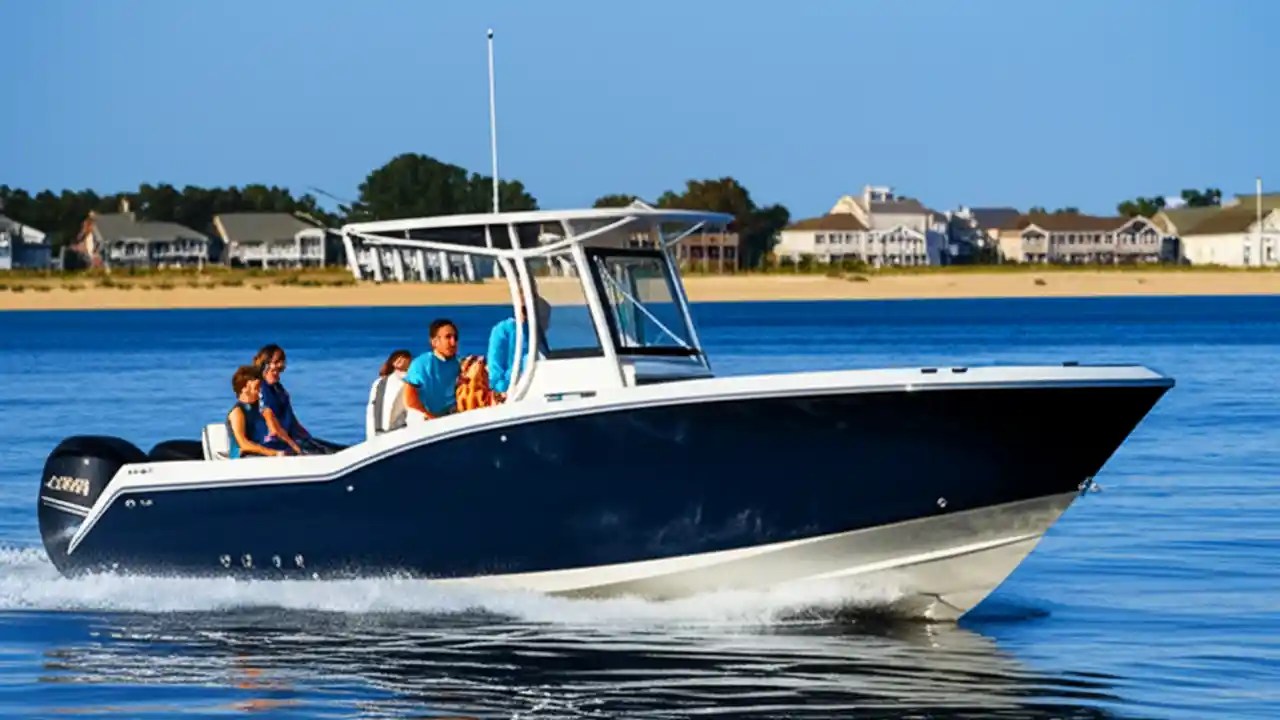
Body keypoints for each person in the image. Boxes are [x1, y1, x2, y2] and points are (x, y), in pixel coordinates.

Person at [252, 343, 312, 455]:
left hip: (288, 441)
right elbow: (274, 428)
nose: (281, 365)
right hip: (272, 445)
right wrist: (295, 447)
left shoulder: (278, 388)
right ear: (265, 364)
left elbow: (292, 421)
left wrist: (308, 437)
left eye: (282, 361)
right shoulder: (262, 388)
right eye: (276, 362)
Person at [403, 319, 461, 422]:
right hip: (424, 419)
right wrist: (432, 418)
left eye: (455, 338)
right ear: (434, 342)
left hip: (451, 418)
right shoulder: (421, 364)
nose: (453, 342)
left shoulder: (459, 364)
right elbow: (409, 399)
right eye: (448, 337)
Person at [226, 365, 282, 458]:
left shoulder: (261, 409)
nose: (260, 392)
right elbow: (243, 444)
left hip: (262, 453)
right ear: (244, 388)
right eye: (256, 388)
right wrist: (273, 453)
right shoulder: (237, 412)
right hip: (243, 457)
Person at [367, 349, 412, 439]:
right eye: (398, 358)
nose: (400, 360)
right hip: (381, 434)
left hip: (403, 434)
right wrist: (371, 438)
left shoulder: (413, 382)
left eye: (404, 358)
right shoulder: (379, 384)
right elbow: (371, 412)